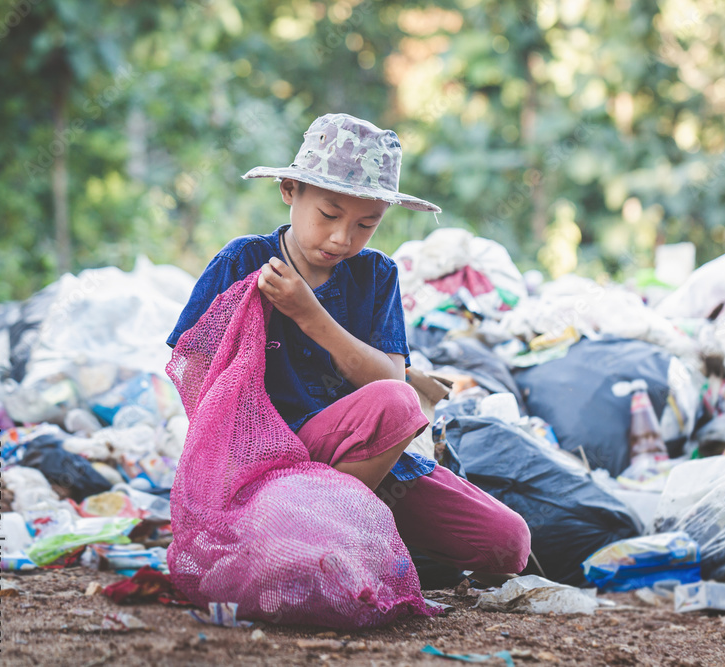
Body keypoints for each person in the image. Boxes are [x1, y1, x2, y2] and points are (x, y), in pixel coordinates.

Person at [167, 113, 531, 580]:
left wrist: (309, 315)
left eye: (366, 224)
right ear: (288, 190)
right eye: (329, 215)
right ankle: (323, 541)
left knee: (505, 542)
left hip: (367, 465)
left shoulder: (377, 275)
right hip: (262, 463)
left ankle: (356, 534)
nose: (342, 238)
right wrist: (240, 457)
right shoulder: (243, 260)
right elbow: (193, 369)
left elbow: (390, 382)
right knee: (396, 402)